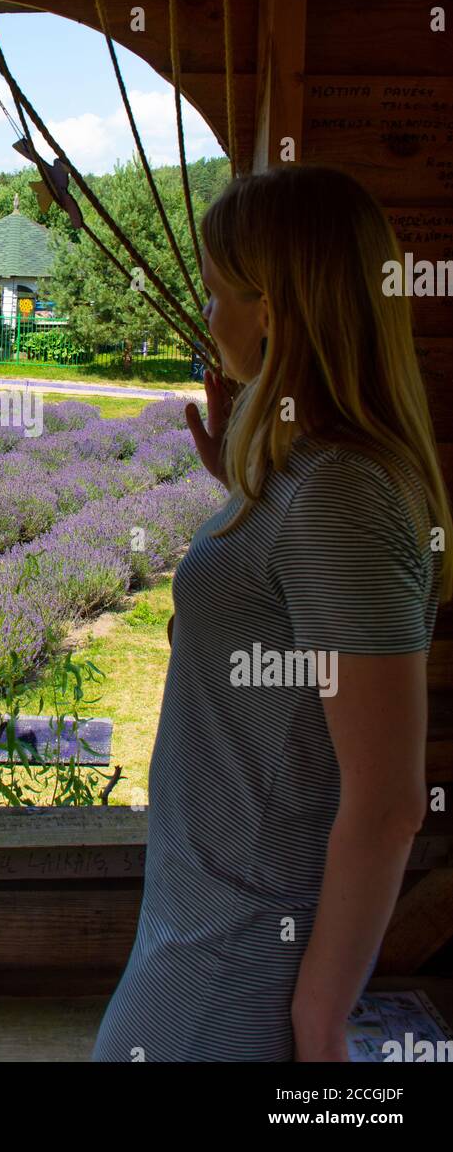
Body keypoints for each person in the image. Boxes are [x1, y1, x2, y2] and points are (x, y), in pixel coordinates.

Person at [92, 165, 451, 1062]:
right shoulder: (308, 484)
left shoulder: (337, 498)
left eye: (216, 296)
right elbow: (264, 651)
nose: (207, 321)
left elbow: (387, 804)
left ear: (273, 309)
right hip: (202, 924)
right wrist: (241, 498)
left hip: (239, 966)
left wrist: (319, 1027)